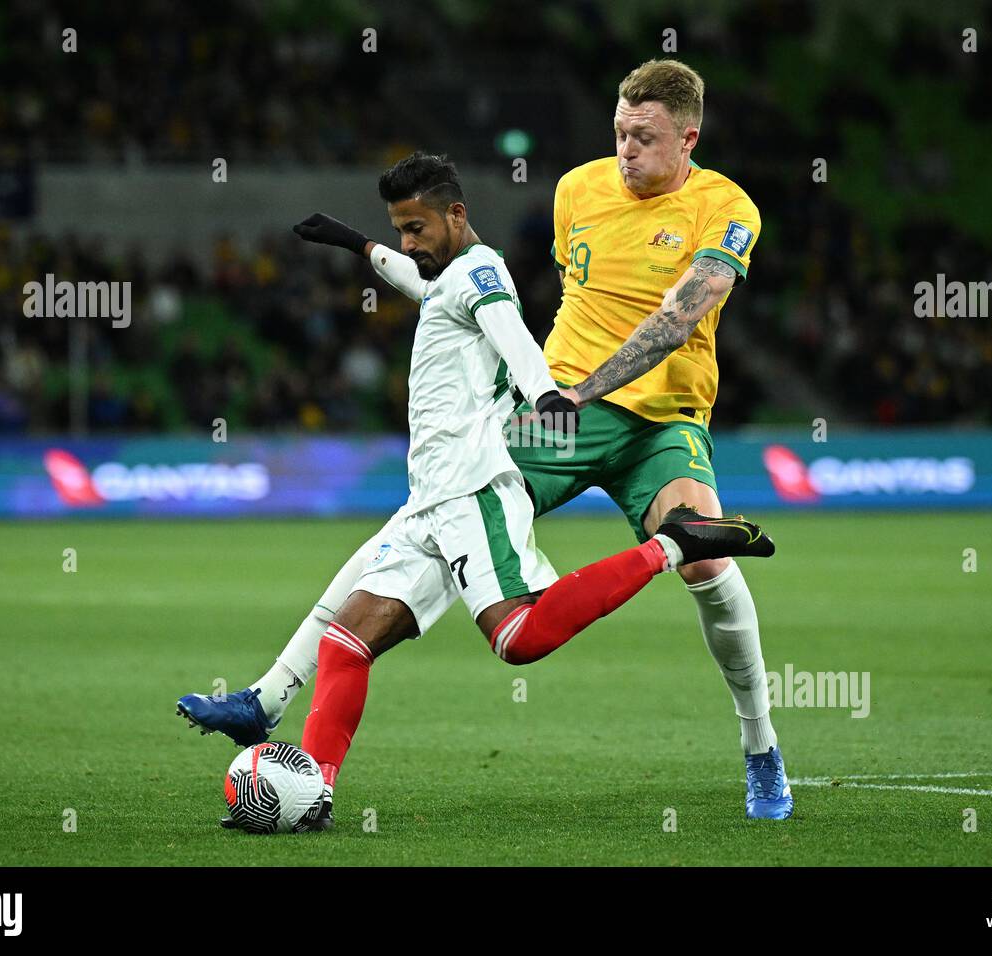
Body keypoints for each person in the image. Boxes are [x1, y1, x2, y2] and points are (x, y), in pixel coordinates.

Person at [181, 59, 794, 822]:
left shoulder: (725, 207)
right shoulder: (578, 191)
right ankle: (288, 727)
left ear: (688, 137)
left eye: (643, 137)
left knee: (703, 558)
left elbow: (678, 318)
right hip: (557, 418)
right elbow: (513, 296)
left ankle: (760, 747)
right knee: (437, 514)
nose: (626, 150)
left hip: (656, 416)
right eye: (618, 133)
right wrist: (371, 255)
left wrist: (578, 389)